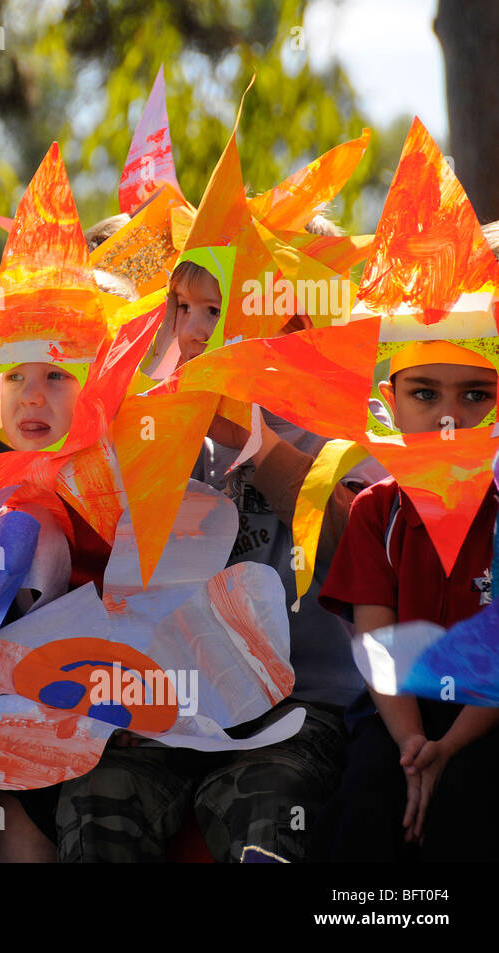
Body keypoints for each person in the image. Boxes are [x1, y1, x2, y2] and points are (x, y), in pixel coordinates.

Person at [55, 257, 368, 863]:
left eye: (218, 311)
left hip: (301, 707)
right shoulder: (150, 434)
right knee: (96, 799)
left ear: (287, 319)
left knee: (272, 806)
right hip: (171, 708)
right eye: (182, 309)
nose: (195, 331)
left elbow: (360, 544)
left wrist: (256, 443)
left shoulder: (342, 427)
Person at [317, 341, 499, 861]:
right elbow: (377, 644)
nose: (450, 416)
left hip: (485, 711)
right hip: (396, 708)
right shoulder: (376, 510)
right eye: (424, 394)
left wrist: (450, 747)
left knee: (469, 799)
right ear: (390, 402)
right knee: (371, 800)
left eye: (475, 395)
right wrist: (414, 746)